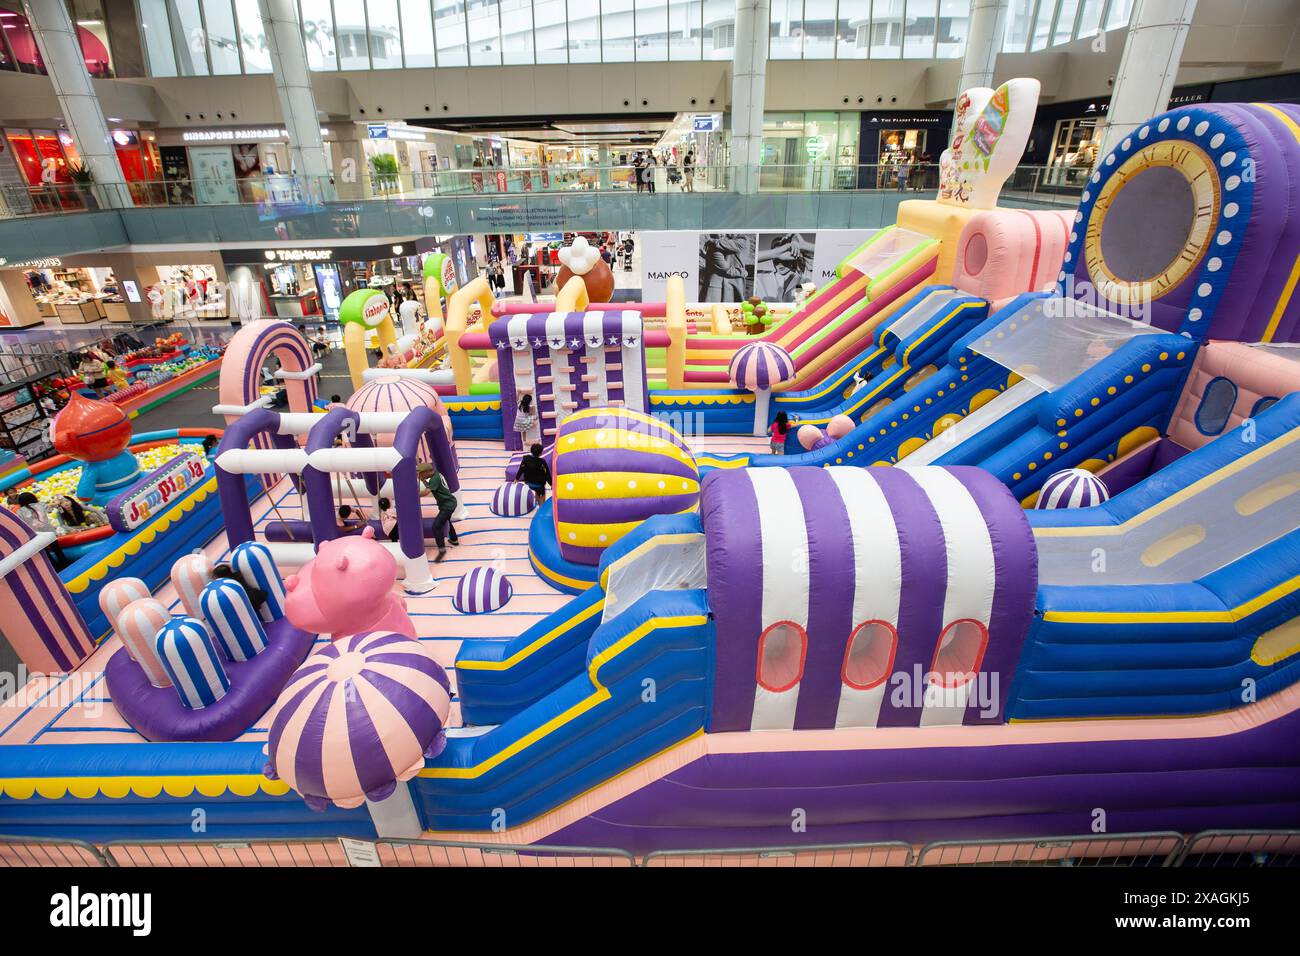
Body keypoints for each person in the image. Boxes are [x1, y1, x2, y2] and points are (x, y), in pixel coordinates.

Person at [418, 462, 460, 561]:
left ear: (427, 471)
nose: (420, 475)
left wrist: (414, 495)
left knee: (436, 526)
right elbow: (430, 486)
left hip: (447, 505)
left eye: (421, 473)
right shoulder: (436, 475)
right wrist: (423, 480)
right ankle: (454, 540)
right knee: (446, 520)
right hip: (448, 503)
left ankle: (442, 550)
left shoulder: (434, 479)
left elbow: (427, 491)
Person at [15, 492, 68, 569]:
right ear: (33, 498)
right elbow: (51, 509)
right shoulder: (41, 504)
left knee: (46, 554)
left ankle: (54, 568)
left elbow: (22, 523)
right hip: (49, 532)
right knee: (57, 550)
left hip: (37, 535)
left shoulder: (20, 511)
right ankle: (65, 564)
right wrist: (57, 502)